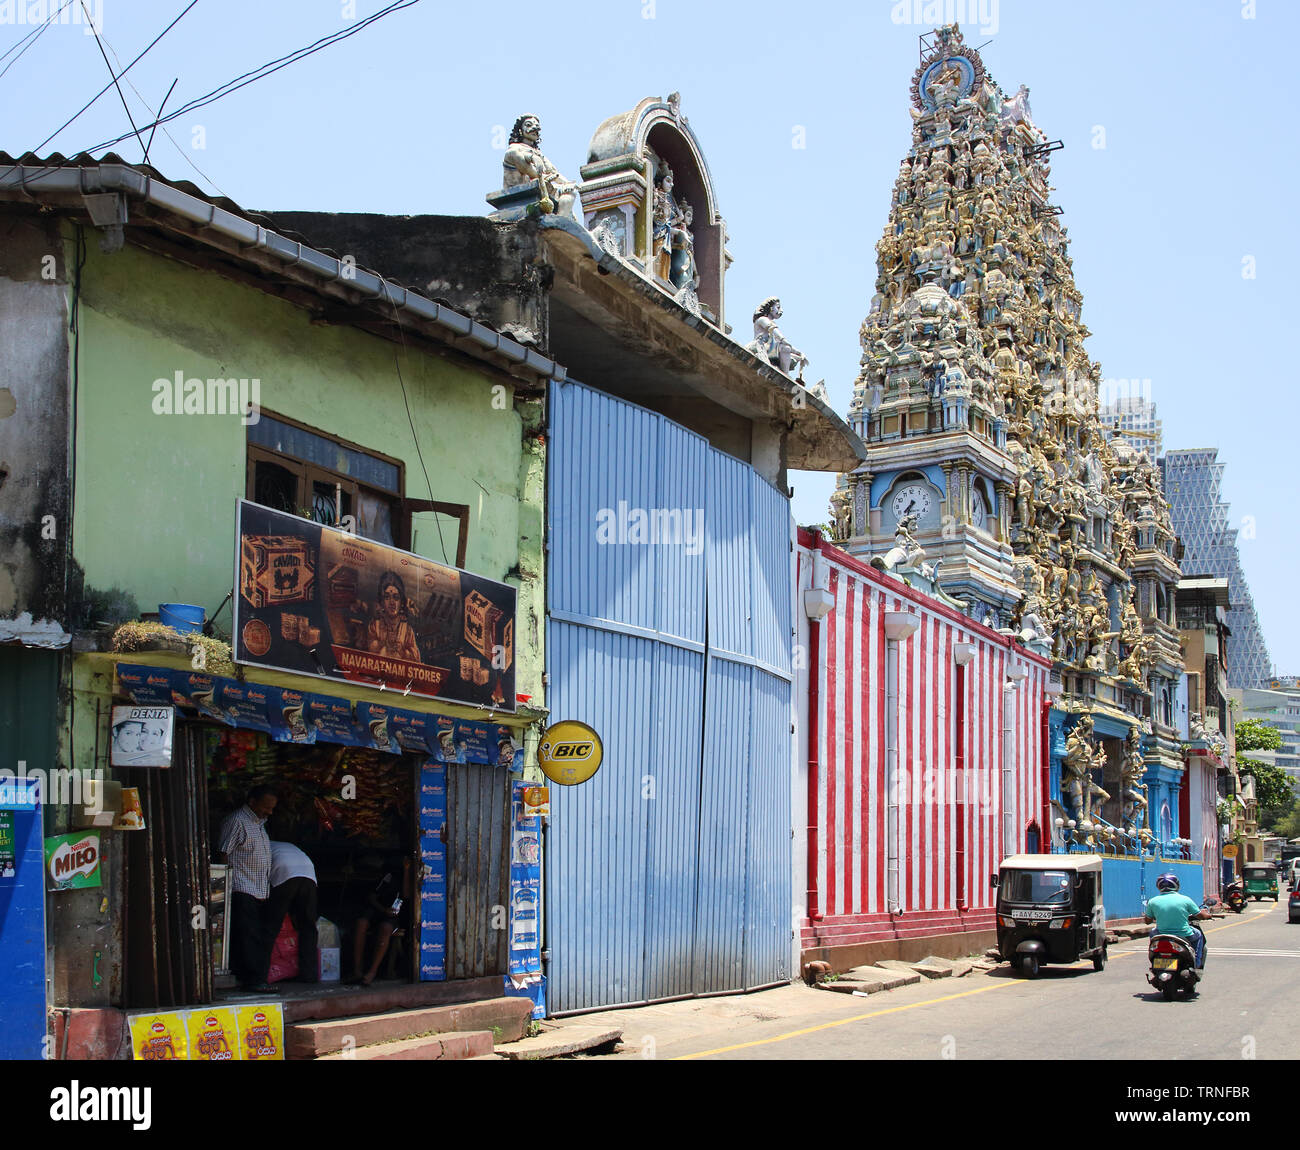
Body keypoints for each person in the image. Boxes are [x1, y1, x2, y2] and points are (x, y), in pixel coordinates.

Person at [218, 785, 278, 992]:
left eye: (271, 808)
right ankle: (253, 980)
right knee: (248, 934)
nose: (269, 812)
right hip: (242, 886)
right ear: (251, 801)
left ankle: (252, 977)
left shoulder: (260, 824)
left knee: (254, 933)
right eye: (265, 807)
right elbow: (223, 852)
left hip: (259, 888)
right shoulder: (237, 821)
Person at [351, 856, 411, 986]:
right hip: (380, 910)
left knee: (386, 928)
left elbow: (406, 895)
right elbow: (372, 896)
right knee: (361, 923)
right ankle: (357, 970)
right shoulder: (388, 876)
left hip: (395, 915)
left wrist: (407, 870)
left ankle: (372, 972)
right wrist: (383, 910)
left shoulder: (411, 874)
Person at [266, 841, 319, 984]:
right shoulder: (286, 846)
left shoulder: (263, 845)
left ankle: (262, 974)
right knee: (308, 926)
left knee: (271, 927)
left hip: (285, 872)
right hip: (308, 872)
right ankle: (309, 975)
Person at [1144, 872, 1209, 969]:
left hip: (1161, 934)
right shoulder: (1185, 899)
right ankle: (1196, 962)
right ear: (1176, 885)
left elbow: (1147, 921)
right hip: (1184, 934)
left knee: (1152, 933)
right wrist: (1207, 914)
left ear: (1159, 886)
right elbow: (1200, 915)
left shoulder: (1153, 901)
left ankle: (1154, 956)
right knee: (1198, 934)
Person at [367, 571, 420, 662]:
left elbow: (416, 658)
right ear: (382, 601)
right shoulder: (375, 625)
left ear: (401, 602)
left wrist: (403, 652)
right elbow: (367, 652)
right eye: (387, 597)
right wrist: (381, 644)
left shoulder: (407, 630)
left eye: (396, 597)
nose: (392, 602)